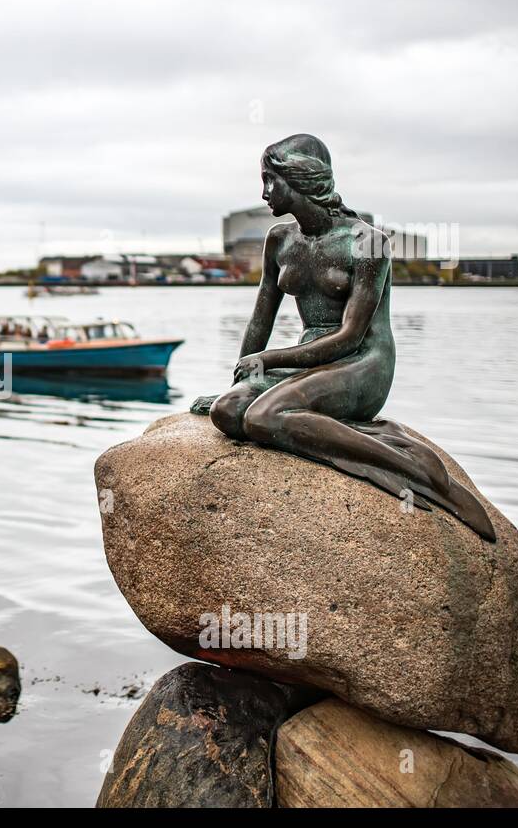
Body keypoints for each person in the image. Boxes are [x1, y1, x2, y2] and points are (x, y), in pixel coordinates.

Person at [207, 133, 494, 540]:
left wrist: (268, 362)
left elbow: (349, 337)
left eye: (272, 180)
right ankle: (347, 429)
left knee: (262, 417)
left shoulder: (367, 243)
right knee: (227, 411)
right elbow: (260, 320)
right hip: (309, 359)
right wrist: (242, 378)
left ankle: (411, 465)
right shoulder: (279, 240)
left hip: (362, 362)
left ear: (302, 180)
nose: (265, 192)